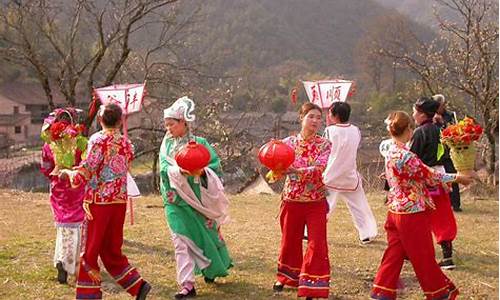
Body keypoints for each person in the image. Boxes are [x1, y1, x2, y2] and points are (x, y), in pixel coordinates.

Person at [371, 111, 473, 300]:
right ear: (409, 130)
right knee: (423, 255)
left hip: (395, 210)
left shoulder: (391, 150)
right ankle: (439, 293)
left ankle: (382, 291)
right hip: (411, 212)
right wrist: (457, 177)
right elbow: (429, 175)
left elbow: (420, 176)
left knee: (394, 253)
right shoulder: (405, 156)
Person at [63, 103, 151, 300]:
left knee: (91, 249)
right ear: (121, 121)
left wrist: (69, 173)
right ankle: (137, 286)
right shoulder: (127, 144)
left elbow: (88, 169)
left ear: (100, 120)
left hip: (98, 203)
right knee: (111, 249)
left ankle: (88, 295)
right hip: (119, 202)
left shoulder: (98, 141)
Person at [159, 96, 232, 299]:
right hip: (175, 201)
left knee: (204, 236)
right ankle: (187, 284)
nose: (169, 129)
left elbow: (215, 167)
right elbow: (164, 168)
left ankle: (211, 268)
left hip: (199, 201)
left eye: (172, 124)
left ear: (184, 122)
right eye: (166, 125)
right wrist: (178, 172)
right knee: (180, 241)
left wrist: (200, 172)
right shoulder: (166, 146)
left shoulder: (200, 144)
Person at [273, 102, 332, 300]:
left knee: (317, 242)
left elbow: (320, 168)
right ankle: (286, 276)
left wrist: (297, 171)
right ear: (301, 118)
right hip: (291, 199)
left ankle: (311, 284)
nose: (315, 121)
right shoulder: (287, 143)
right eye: (311, 117)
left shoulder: (325, 144)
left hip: (316, 200)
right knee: (289, 240)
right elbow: (276, 167)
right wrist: (276, 166)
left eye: (318, 118)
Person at [411, 97, 458, 270]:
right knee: (442, 216)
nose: (413, 114)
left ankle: (410, 252)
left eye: (415, 111)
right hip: (440, 176)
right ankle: (447, 256)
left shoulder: (419, 133)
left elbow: (412, 158)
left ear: (422, 114)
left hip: (424, 177)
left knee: (414, 214)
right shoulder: (441, 129)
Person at [40, 108, 86, 284]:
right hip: (76, 185)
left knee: (62, 225)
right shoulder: (79, 141)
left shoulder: (49, 144)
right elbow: (85, 162)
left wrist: (55, 173)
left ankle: (60, 259)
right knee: (76, 225)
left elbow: (45, 167)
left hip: (58, 188)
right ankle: (70, 264)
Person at [322, 101, 378, 244]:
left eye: (330, 112)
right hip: (349, 174)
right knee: (359, 206)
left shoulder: (330, 131)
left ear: (335, 115)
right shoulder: (356, 130)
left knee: (323, 205)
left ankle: (309, 232)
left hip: (331, 174)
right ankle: (367, 233)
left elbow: (324, 149)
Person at [432, 94, 462, 212]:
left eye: (442, 105)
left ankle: (455, 203)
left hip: (449, 151)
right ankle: (442, 203)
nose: (441, 107)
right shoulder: (430, 117)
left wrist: (443, 123)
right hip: (436, 152)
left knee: (452, 176)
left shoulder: (450, 116)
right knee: (438, 177)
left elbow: (454, 131)